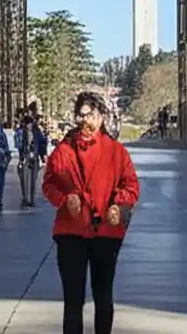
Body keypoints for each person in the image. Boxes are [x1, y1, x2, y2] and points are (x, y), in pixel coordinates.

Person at [41, 92, 141, 334]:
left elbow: (131, 186)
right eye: (82, 116)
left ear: (102, 117)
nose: (86, 122)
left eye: (92, 116)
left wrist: (118, 205)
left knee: (103, 297)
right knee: (73, 301)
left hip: (106, 232)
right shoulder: (63, 151)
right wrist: (64, 200)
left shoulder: (117, 152)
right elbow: (48, 184)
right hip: (70, 233)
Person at [15, 110, 48, 207]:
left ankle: (31, 199)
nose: (29, 126)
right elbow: (19, 145)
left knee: (33, 179)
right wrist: (22, 157)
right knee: (24, 178)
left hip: (35, 156)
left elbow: (42, 143)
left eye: (30, 123)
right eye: (27, 124)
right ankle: (25, 198)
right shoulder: (21, 133)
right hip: (25, 157)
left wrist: (43, 156)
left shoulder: (37, 131)